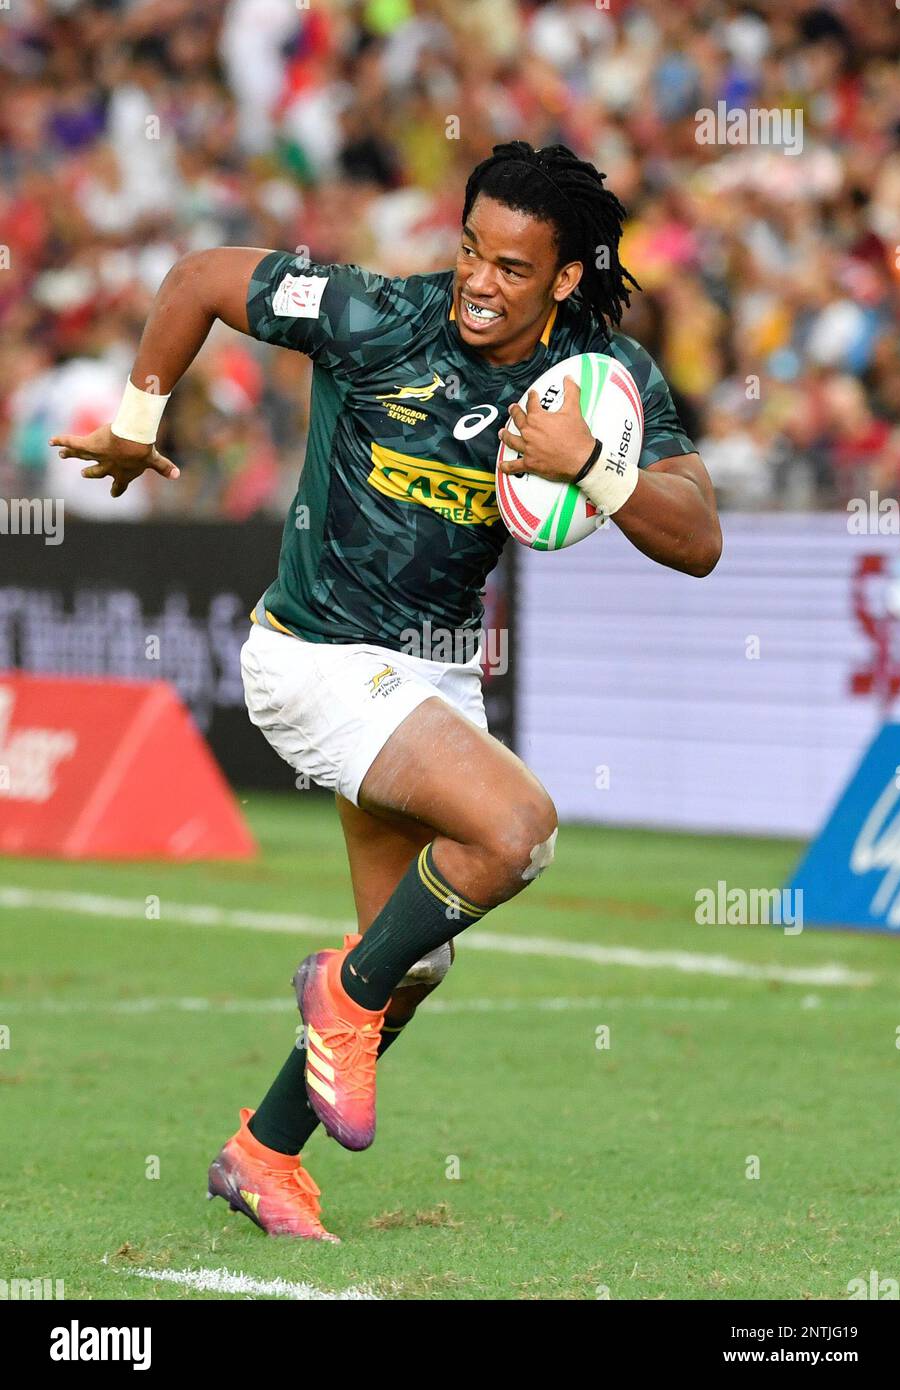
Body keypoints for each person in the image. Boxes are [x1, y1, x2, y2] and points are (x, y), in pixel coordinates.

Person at [50, 141, 722, 1241]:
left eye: (511, 266)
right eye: (470, 250)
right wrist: (137, 420)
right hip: (316, 656)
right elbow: (199, 279)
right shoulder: (375, 315)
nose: (477, 281)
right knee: (516, 831)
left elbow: (697, 540)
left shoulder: (603, 376)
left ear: (565, 277)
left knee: (414, 957)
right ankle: (342, 992)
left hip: (432, 674)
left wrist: (594, 466)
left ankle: (263, 1154)